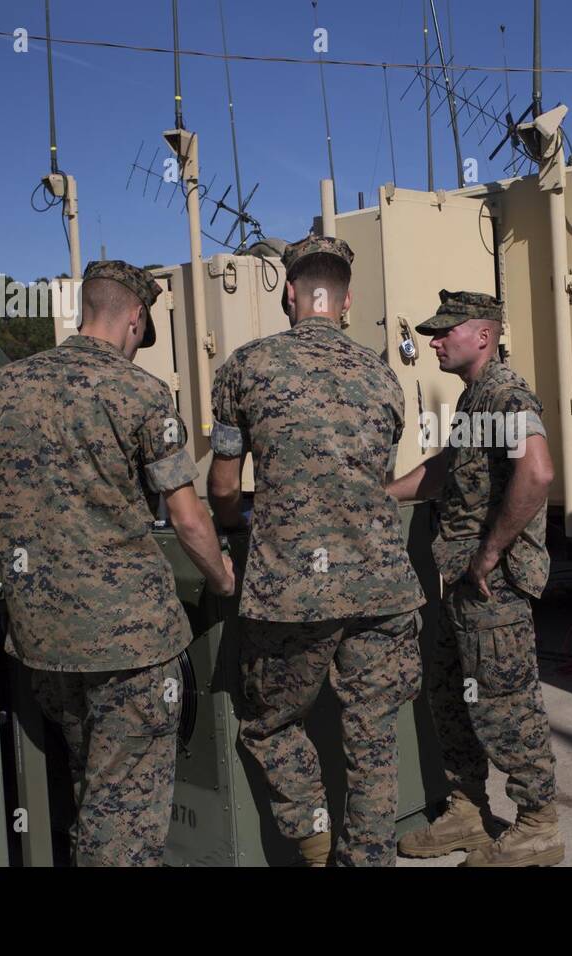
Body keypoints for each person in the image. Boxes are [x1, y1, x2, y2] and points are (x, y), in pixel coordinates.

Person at [0, 260, 234, 866]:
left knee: (93, 794)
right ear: (134, 318)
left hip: (42, 642)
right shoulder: (141, 394)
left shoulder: (6, 386)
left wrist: (39, 541)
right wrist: (224, 578)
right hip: (129, 648)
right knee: (125, 817)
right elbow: (187, 518)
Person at [207, 235, 425, 867]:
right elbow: (375, 476)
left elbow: (224, 487)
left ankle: (313, 838)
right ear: (347, 301)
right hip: (383, 586)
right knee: (372, 736)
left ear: (288, 296)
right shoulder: (383, 375)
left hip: (291, 592)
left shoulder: (245, 368)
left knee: (272, 725)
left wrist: (240, 521)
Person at [387, 290, 563, 867]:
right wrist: (382, 495)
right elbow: (444, 470)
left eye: (446, 332)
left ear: (482, 335)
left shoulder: (506, 395)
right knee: (449, 692)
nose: (434, 341)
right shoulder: (474, 401)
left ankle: (538, 825)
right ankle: (466, 810)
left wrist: (490, 552)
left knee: (506, 704)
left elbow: (536, 473)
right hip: (462, 584)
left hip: (494, 588)